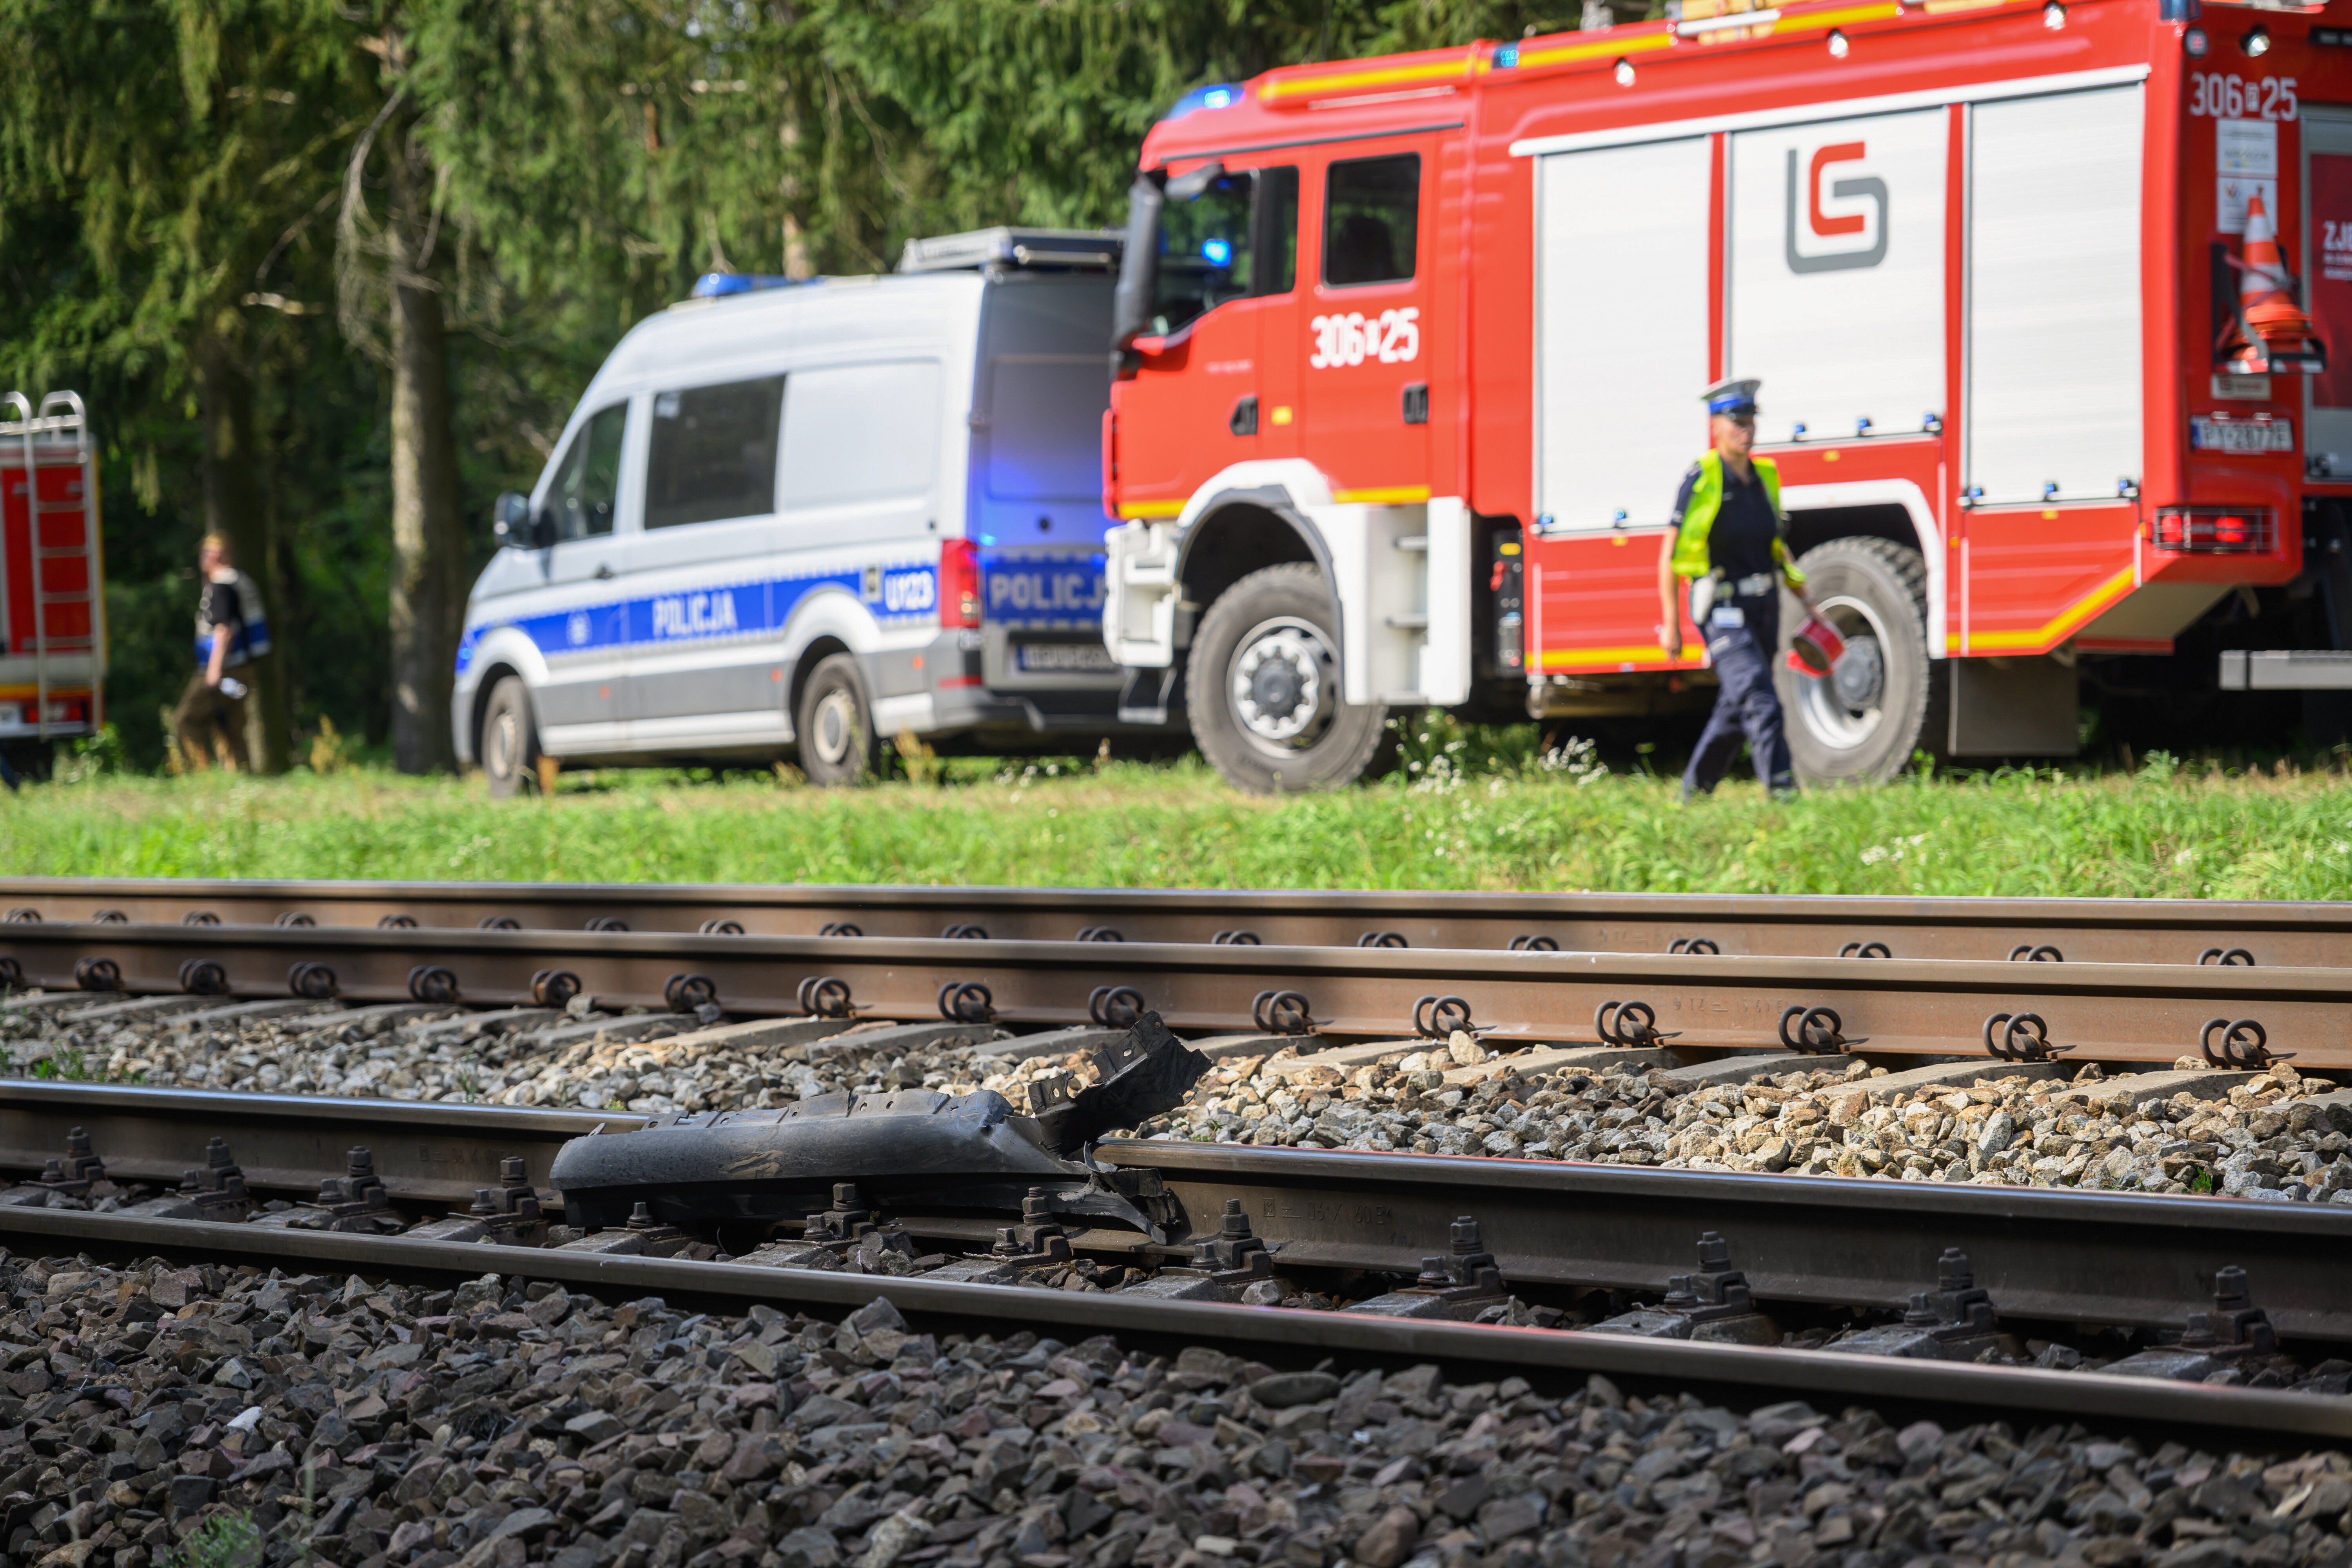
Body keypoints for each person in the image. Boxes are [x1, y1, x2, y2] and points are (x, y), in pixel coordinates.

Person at [1656, 378, 1812, 801]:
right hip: (1721, 608)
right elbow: (1669, 556)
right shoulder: (1702, 478)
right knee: (1761, 698)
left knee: (1736, 706)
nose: (1747, 430)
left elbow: (1776, 546)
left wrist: (1808, 600)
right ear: (1716, 426)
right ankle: (1785, 798)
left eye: (1751, 421)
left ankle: (1694, 794)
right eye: (1737, 422)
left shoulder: (1765, 476)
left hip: (1765, 605)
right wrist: (1671, 624)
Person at [171, 534, 272, 772]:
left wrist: (213, 672)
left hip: (225, 667)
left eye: (206, 553)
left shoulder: (221, 586)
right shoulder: (241, 580)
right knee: (230, 726)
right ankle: (242, 778)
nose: (203, 559)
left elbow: (224, 630)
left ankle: (195, 775)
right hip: (244, 666)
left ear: (216, 556)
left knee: (186, 720)